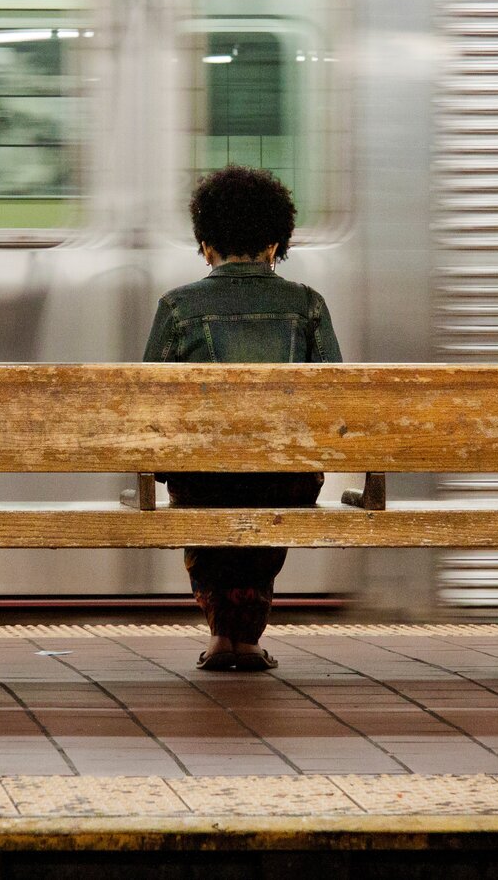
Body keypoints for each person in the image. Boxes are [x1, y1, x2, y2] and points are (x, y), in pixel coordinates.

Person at [143, 165, 342, 672]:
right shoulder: (307, 305)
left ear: (206, 244)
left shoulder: (177, 306)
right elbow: (336, 399)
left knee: (206, 487)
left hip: (202, 480)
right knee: (271, 486)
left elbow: (146, 404)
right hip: (286, 480)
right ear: (275, 245)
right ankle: (246, 638)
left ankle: (221, 637)